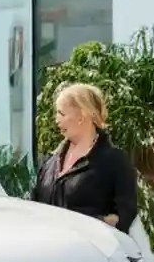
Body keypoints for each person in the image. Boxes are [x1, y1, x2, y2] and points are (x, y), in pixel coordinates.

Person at [31, 82, 138, 233]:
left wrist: (97, 222)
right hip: (48, 251)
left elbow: (123, 217)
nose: (56, 120)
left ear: (81, 116)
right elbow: (34, 208)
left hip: (89, 253)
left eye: (61, 113)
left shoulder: (115, 162)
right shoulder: (49, 162)